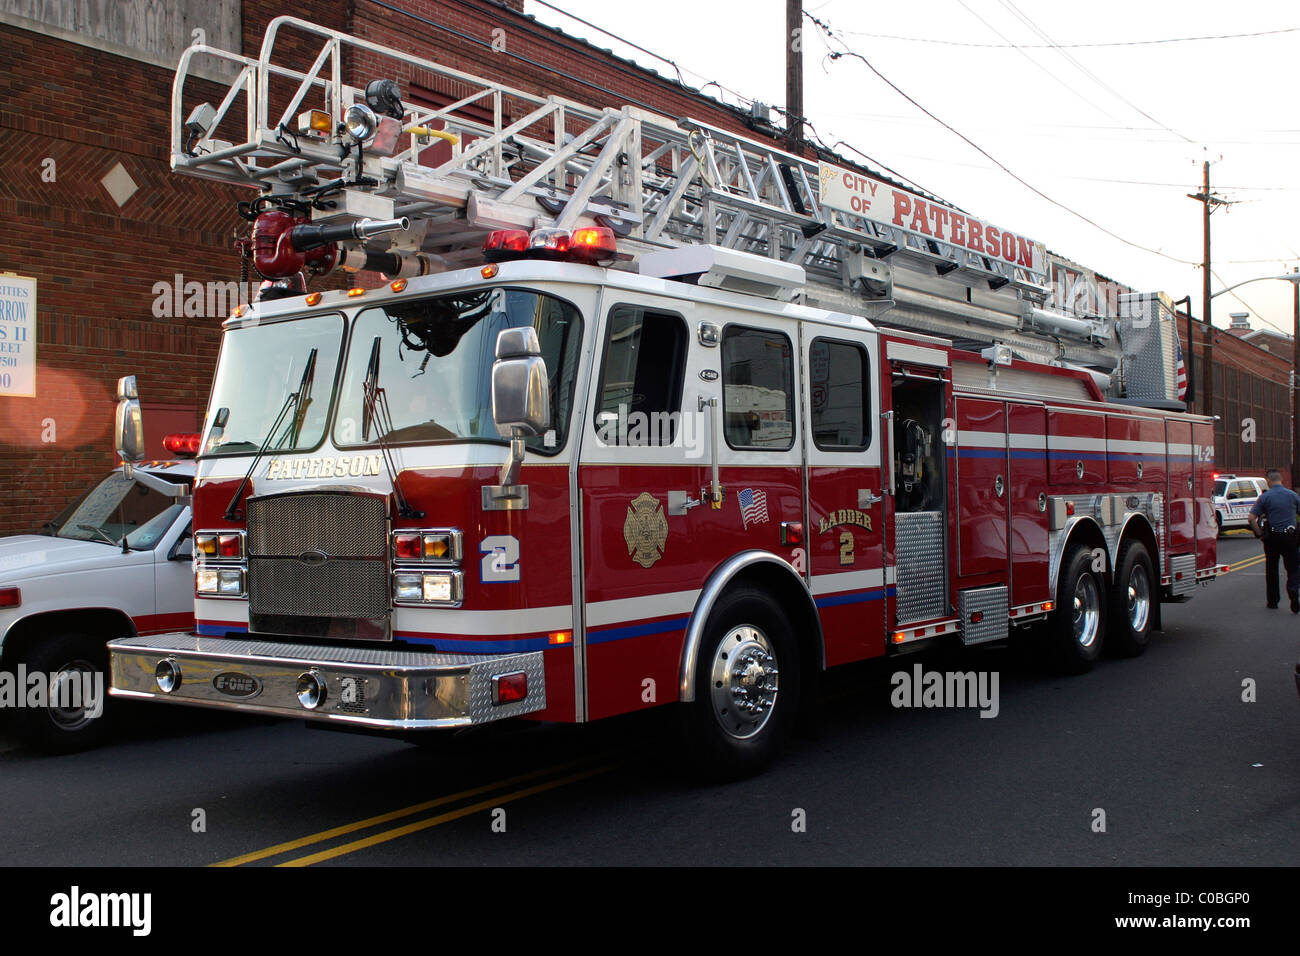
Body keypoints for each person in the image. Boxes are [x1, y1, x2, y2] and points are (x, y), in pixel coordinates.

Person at [1247, 468, 1300, 612]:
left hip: (1272, 538)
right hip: (1290, 536)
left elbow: (1251, 518)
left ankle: (1273, 601)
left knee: (1272, 570)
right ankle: (1293, 590)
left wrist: (1259, 533)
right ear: (1281, 480)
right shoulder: (1293, 496)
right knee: (1293, 568)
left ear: (1269, 481)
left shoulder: (1265, 497)